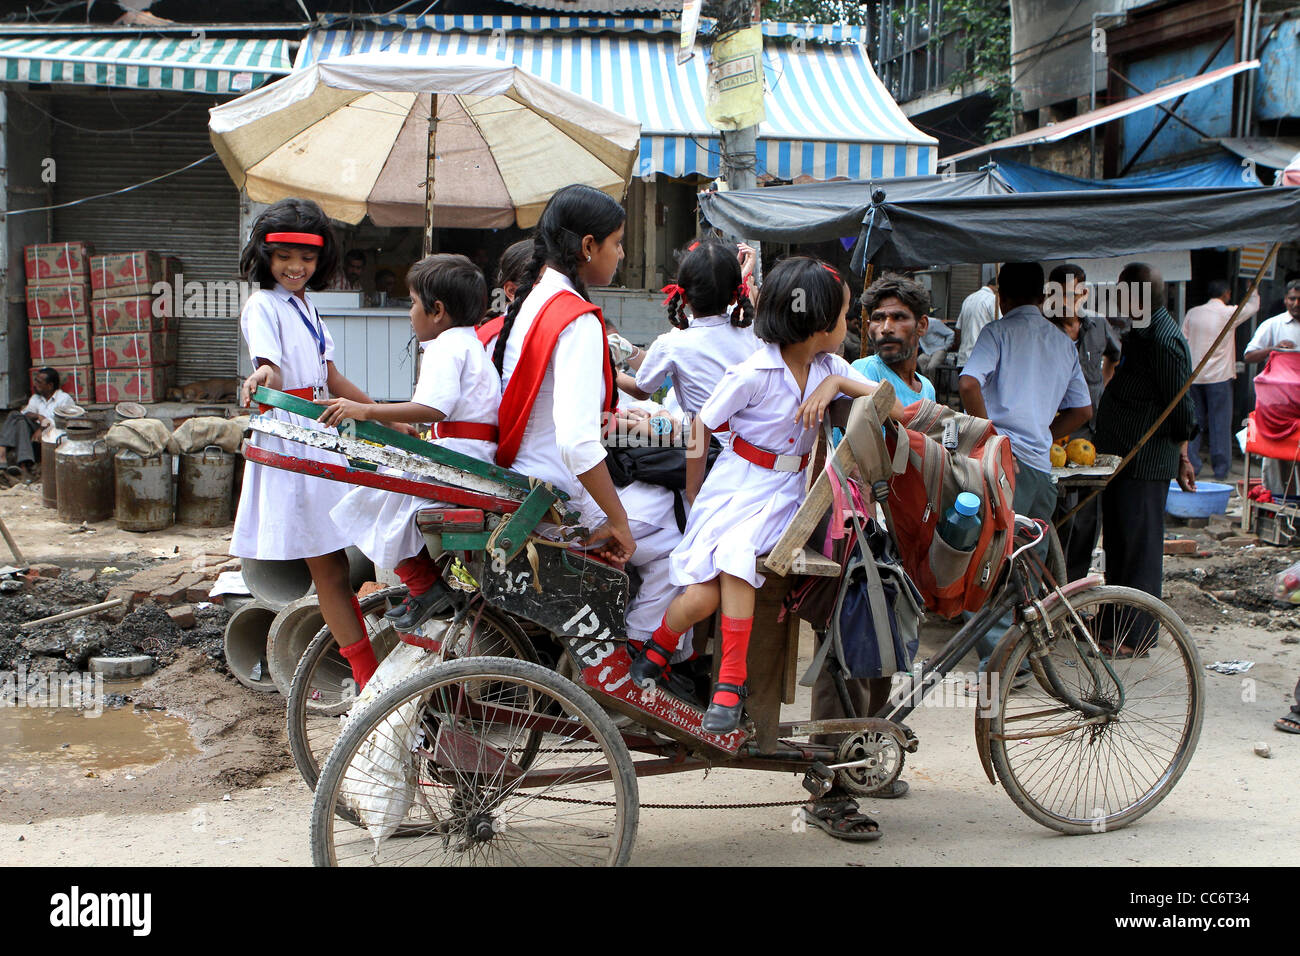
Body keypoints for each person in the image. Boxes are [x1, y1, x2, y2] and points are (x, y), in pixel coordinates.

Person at [640, 258, 904, 731]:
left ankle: (727, 681)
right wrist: (696, 489)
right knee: (702, 595)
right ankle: (662, 648)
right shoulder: (753, 373)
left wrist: (838, 383)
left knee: (735, 559)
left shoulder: (830, 366)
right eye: (844, 316)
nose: (849, 325)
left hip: (788, 494)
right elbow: (702, 425)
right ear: (819, 323)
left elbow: (894, 407)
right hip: (737, 486)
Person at [491, 184, 689, 660]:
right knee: (683, 538)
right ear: (587, 247)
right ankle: (640, 658)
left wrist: (627, 419)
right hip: (558, 493)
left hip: (526, 476)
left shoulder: (536, 301)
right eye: (618, 243)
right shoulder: (577, 319)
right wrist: (619, 523)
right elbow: (577, 444)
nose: (620, 254)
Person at [235, 198, 392, 691]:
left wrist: (387, 420)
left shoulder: (305, 305)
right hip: (295, 438)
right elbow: (271, 367)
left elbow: (331, 376)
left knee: (340, 559)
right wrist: (263, 374)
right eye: (284, 257)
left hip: (320, 432)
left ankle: (371, 671)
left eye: (306, 258)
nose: (296, 267)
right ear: (266, 256)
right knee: (329, 566)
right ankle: (368, 677)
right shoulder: (262, 305)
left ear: (321, 260)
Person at [321, 254, 499, 629]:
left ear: (437, 310)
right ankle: (425, 587)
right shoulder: (470, 344)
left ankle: (424, 586)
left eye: (413, 303)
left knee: (366, 499)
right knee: (379, 496)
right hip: (467, 455)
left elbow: (432, 408)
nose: (409, 312)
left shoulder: (447, 347)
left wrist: (367, 411)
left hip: (458, 461)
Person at [959, 262, 1093, 669]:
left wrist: (988, 436)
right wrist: (1045, 435)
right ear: (1042, 297)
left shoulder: (998, 332)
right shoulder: (1062, 343)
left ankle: (997, 663)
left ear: (1001, 295)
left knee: (986, 559)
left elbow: (968, 383)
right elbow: (1083, 409)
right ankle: (1020, 658)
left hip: (1000, 465)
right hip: (1038, 467)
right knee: (1027, 567)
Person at [1093, 263, 1197, 653]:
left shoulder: (1163, 340)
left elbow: (1180, 405)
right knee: (1119, 545)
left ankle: (1134, 637)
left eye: (1123, 292)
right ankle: (1113, 626)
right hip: (1125, 458)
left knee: (1138, 548)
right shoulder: (1141, 331)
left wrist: (1183, 452)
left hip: (1146, 460)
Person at [616, 239, 758, 420]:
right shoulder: (748, 330)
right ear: (734, 296)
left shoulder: (672, 343)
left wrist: (613, 373)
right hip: (747, 442)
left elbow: (642, 390)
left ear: (683, 296)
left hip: (705, 444)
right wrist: (737, 276)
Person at [1045, 263, 1122, 581]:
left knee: (1087, 516)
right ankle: (1050, 584)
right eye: (1058, 294)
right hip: (1051, 434)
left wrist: (1099, 391)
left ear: (1083, 293)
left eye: (1072, 293)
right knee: (1056, 514)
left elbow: (1113, 358)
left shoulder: (1098, 327)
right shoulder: (1042, 330)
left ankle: (1073, 586)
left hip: (1089, 434)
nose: (1065, 301)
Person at [1181, 279, 1259, 480]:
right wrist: (1253, 287)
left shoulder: (1193, 312)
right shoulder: (1228, 312)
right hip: (1219, 377)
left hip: (1194, 376)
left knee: (1194, 422)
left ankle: (1192, 465)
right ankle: (1221, 469)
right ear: (1227, 294)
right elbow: (1253, 306)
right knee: (1220, 424)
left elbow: (1183, 340)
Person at [853, 273, 936, 407]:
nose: (886, 328)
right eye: (878, 318)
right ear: (868, 328)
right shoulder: (866, 372)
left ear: (921, 325)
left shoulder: (927, 388)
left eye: (898, 317)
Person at [0, 367, 75, 475]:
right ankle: (23, 466)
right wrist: (38, 416)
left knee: (18, 419)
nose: (35, 384)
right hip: (34, 438)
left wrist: (42, 428)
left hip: (54, 437)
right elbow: (25, 414)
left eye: (39, 382)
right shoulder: (36, 398)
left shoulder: (64, 399)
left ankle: (3, 455)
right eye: (35, 381)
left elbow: (62, 423)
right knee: (17, 418)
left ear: (50, 386)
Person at [1243, 279, 1300, 366]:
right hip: (1280, 379)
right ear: (1285, 300)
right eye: (1292, 299)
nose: (1296, 304)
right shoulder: (1272, 324)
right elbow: (1249, 356)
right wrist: (1275, 349)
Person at [954, 266, 999, 367]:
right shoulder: (993, 300)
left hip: (963, 359)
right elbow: (1001, 327)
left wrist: (959, 349)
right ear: (996, 287)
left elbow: (958, 329)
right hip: (981, 361)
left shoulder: (969, 298)